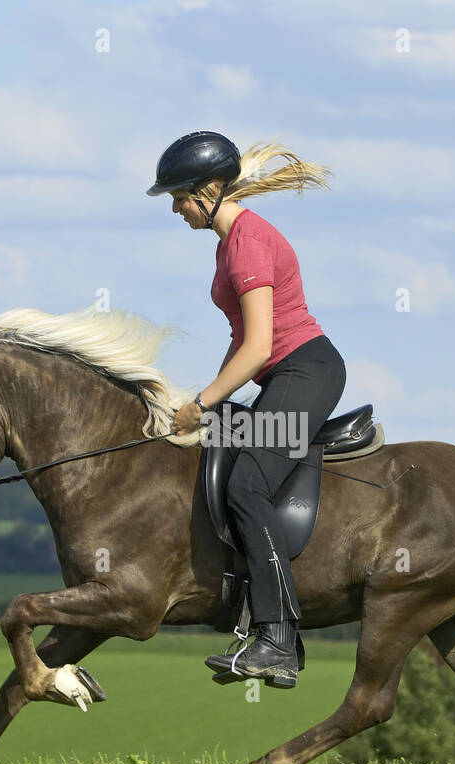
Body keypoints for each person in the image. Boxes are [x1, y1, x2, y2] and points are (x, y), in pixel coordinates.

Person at [149, 131, 347, 690]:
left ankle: (277, 638)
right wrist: (209, 400)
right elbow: (245, 343)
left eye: (180, 197)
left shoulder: (248, 243)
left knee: (246, 488)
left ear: (210, 191)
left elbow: (259, 346)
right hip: (280, 374)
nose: (175, 208)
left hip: (304, 372)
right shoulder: (229, 240)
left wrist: (203, 403)